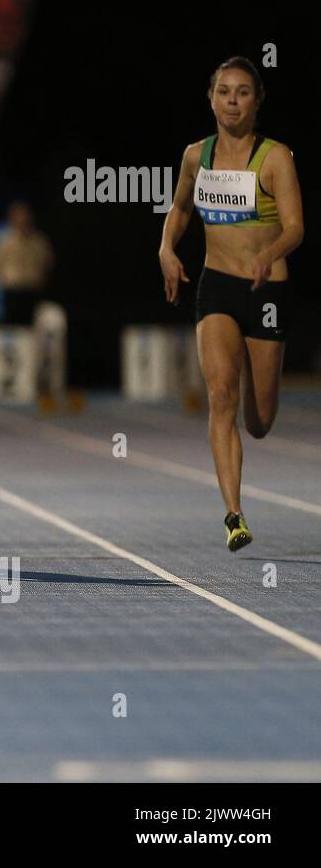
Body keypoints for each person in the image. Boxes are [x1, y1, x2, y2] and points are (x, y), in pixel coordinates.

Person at [159, 56, 303, 551]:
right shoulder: (196, 157)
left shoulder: (276, 157)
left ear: (256, 101)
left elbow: (296, 228)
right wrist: (165, 249)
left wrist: (269, 253)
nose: (233, 101)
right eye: (224, 91)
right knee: (221, 393)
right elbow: (178, 209)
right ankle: (234, 515)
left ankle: (261, 396)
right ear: (211, 98)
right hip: (216, 285)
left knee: (259, 422)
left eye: (243, 92)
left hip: (266, 293)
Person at [0, 200, 53, 324]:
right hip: (11, 290)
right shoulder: (4, 241)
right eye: (18, 216)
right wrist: (2, 280)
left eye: (24, 216)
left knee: (33, 324)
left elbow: (48, 262)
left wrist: (41, 279)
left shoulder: (39, 241)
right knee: (11, 326)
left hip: (32, 290)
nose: (22, 219)